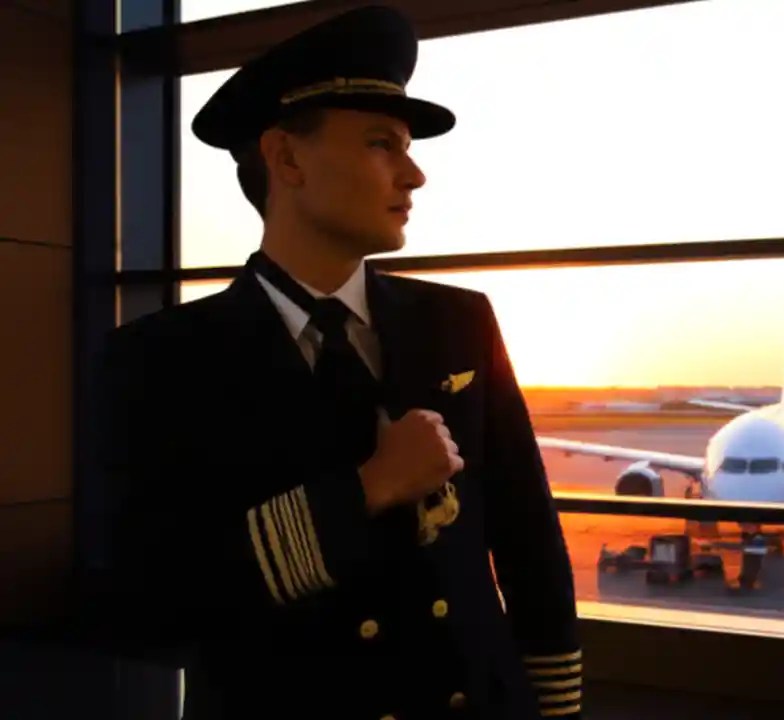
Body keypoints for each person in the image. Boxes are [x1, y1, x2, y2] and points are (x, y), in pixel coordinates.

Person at [92, 5, 582, 719]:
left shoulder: (459, 323)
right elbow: (152, 602)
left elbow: (529, 541)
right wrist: (365, 491)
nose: (414, 175)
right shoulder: (159, 360)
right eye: (383, 144)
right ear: (286, 159)